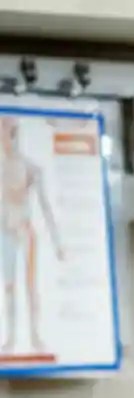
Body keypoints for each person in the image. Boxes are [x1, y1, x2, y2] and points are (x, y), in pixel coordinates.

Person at [1, 115, 64, 355]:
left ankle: (35, 336)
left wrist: (58, 243)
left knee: (30, 285)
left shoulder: (30, 167)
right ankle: (10, 337)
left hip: (25, 230)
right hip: (4, 231)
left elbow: (45, 206)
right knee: (8, 286)